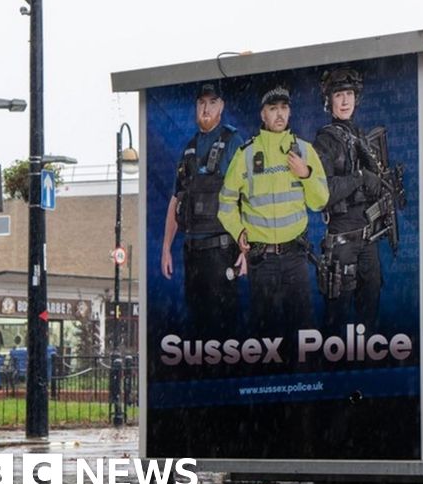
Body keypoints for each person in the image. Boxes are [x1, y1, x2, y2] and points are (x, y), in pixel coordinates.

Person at [217, 81, 329, 335]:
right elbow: (225, 205)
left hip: (295, 259)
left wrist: (306, 173)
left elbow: (320, 201)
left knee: (303, 336)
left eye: (283, 108)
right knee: (266, 338)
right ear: (263, 114)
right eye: (272, 108)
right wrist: (239, 232)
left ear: (289, 112)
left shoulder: (304, 150)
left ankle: (304, 377)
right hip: (261, 262)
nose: (279, 114)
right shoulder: (246, 155)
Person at [161, 82, 245, 337]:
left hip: (221, 251)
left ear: (221, 106)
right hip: (192, 255)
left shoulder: (232, 141)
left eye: (212, 102)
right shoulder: (188, 148)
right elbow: (177, 199)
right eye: (201, 103)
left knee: (224, 331)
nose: (206, 108)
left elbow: (246, 196)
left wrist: (245, 248)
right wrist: (166, 248)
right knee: (198, 330)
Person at [314, 67, 385, 333]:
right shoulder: (325, 141)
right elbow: (325, 192)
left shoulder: (360, 136)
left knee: (371, 320)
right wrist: (359, 177)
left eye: (349, 94)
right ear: (329, 101)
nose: (345, 101)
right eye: (338, 95)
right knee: (337, 324)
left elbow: (373, 184)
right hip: (342, 243)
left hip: (368, 240)